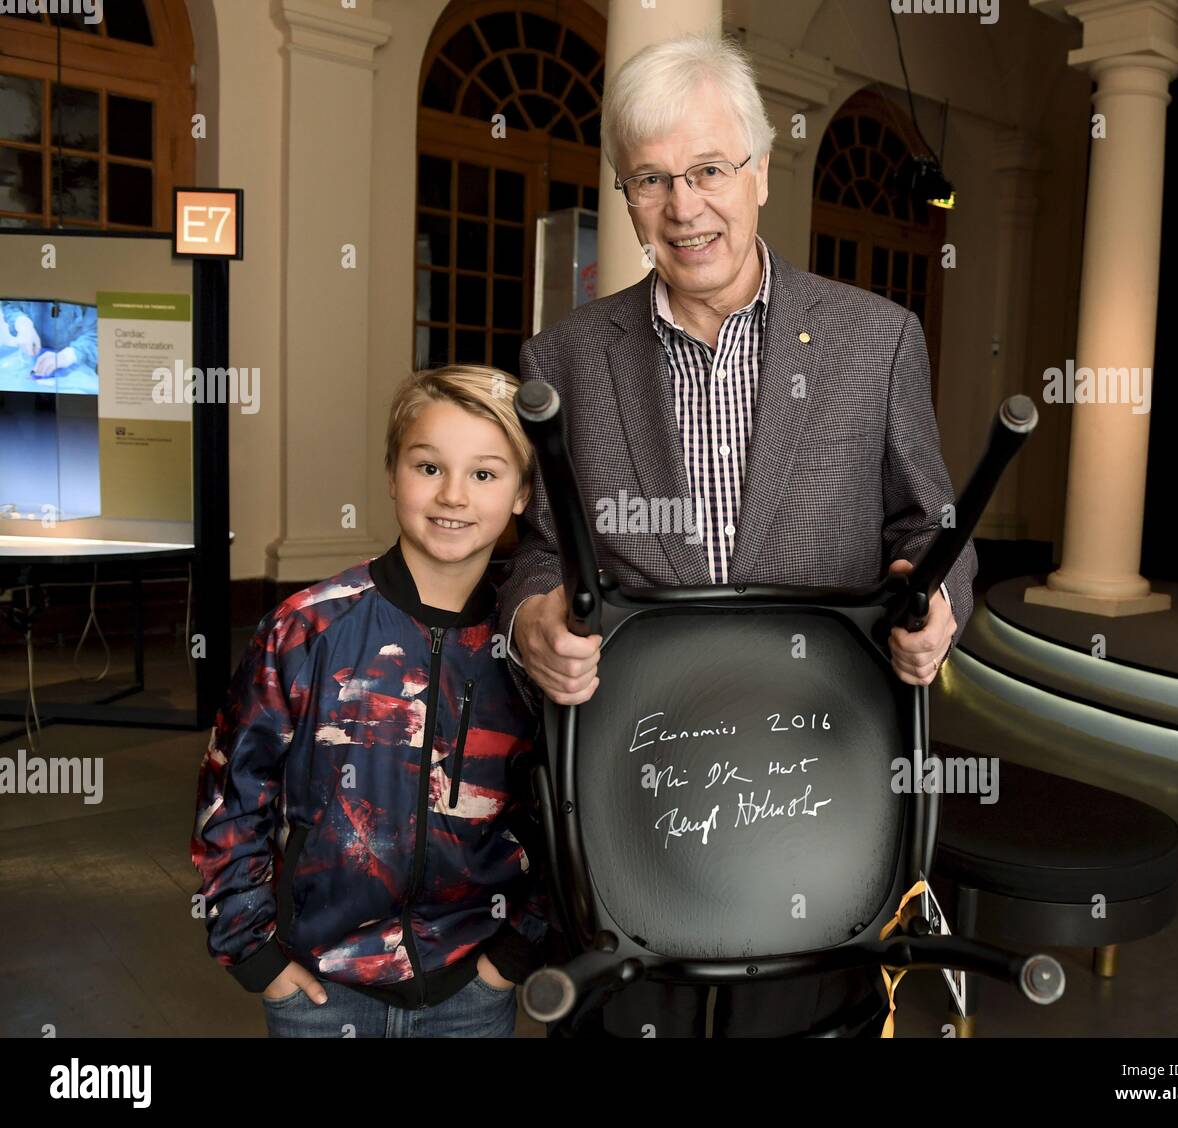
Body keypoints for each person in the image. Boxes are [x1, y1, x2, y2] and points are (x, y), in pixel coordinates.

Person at [498, 33, 977, 1038]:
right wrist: (530, 616)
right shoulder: (567, 358)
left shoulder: (874, 338)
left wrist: (936, 599)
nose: (684, 206)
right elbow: (540, 551)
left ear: (759, 171)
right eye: (651, 178)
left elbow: (930, 524)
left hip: (819, 784)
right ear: (626, 196)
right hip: (632, 796)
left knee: (807, 1021)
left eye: (710, 169)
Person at [191, 365, 549, 1038]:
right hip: (321, 988)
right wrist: (256, 954)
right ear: (392, 474)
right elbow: (232, 793)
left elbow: (563, 808)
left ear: (523, 492)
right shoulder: (307, 628)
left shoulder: (532, 643)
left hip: (474, 984)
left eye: (485, 474)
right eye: (428, 466)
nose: (453, 495)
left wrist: (519, 949)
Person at [0, 300, 97, 378]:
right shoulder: (20, 279)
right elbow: (9, 303)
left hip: (76, 358)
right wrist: (21, 321)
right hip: (32, 355)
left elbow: (98, 332)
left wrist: (69, 355)